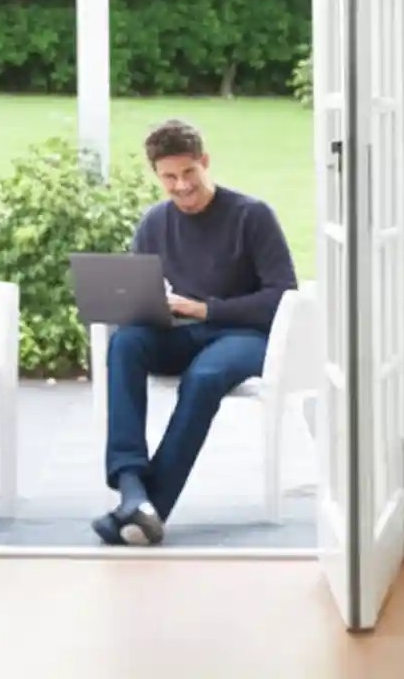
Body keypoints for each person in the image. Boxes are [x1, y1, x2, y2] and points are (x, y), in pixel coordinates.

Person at [91, 119, 299, 546]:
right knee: (126, 344)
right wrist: (140, 307)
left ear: (204, 162)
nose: (181, 185)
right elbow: (141, 292)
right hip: (180, 332)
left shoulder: (252, 215)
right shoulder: (154, 222)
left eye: (189, 173)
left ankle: (150, 507)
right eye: (169, 177)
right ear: (156, 174)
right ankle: (130, 484)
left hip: (244, 336)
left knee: (204, 378)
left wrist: (206, 309)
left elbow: (282, 296)